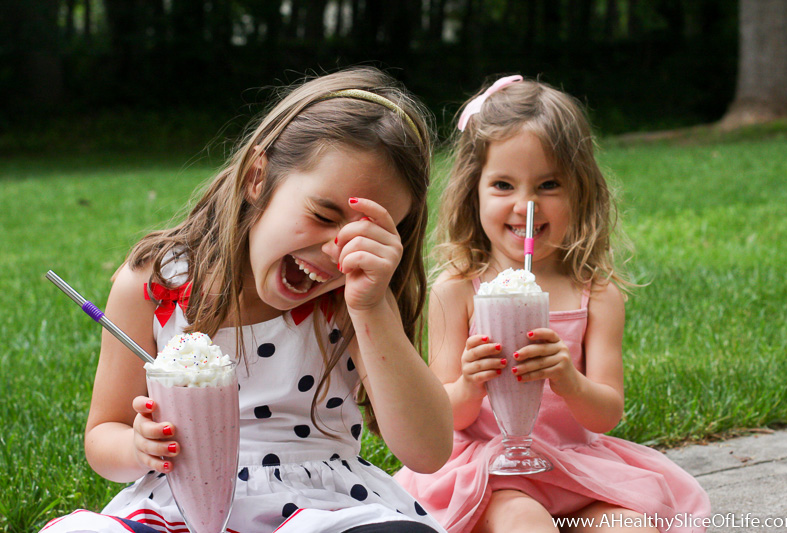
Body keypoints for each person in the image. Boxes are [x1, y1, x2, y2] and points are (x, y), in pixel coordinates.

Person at [42, 67, 453, 533]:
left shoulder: (352, 303)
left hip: (321, 509)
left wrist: (372, 309)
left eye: (365, 236)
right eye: (322, 214)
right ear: (258, 177)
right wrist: (137, 448)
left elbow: (428, 450)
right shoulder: (154, 285)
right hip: (177, 505)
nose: (335, 252)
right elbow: (103, 434)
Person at [394, 75, 710, 533]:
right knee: (526, 523)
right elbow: (446, 419)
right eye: (503, 184)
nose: (526, 206)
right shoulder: (458, 290)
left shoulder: (596, 294)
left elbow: (606, 413)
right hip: (490, 476)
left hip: (573, 472)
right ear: (473, 191)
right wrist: (471, 380)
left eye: (548, 185)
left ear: (580, 191)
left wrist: (568, 380)